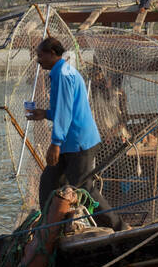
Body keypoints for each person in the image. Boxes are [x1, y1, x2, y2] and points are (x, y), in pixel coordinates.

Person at [27, 37, 107, 215]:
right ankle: (48, 225)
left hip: (78, 141)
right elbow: (63, 109)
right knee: (49, 181)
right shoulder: (59, 73)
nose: (38, 60)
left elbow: (64, 113)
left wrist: (55, 143)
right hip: (68, 142)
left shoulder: (63, 75)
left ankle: (118, 225)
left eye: (40, 55)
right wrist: (45, 113)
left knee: (83, 187)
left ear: (52, 54)